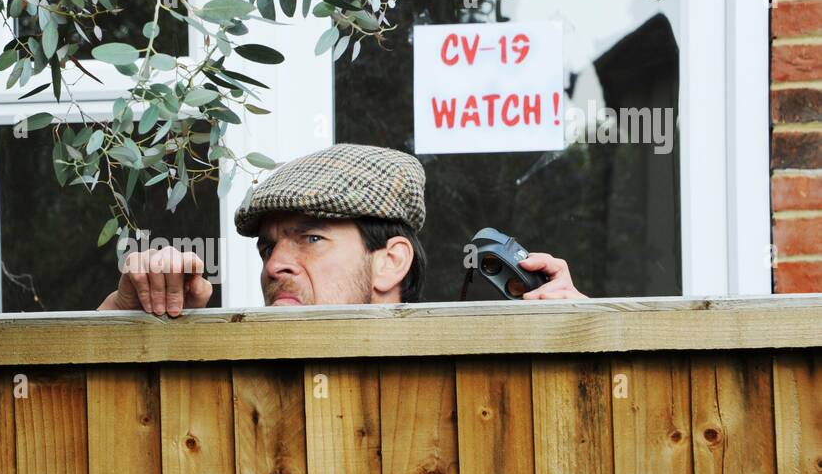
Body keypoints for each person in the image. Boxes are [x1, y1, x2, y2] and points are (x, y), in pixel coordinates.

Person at [97, 143, 585, 316]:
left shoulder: (459, 376)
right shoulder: (236, 374)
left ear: (391, 261)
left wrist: (584, 326)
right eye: (268, 247)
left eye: (311, 238)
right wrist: (128, 311)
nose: (274, 264)